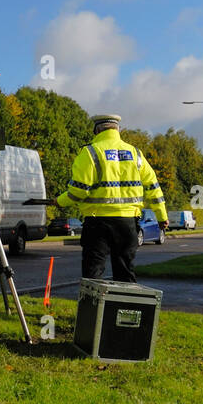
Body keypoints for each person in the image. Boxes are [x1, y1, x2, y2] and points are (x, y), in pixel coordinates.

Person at [54, 114, 168, 283]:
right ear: (118, 130)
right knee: (125, 272)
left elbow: (79, 191)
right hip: (128, 223)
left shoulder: (91, 152)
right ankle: (125, 308)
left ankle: (93, 309)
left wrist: (59, 201)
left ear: (97, 130)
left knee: (93, 273)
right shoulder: (135, 153)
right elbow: (153, 187)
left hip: (97, 223)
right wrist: (162, 216)